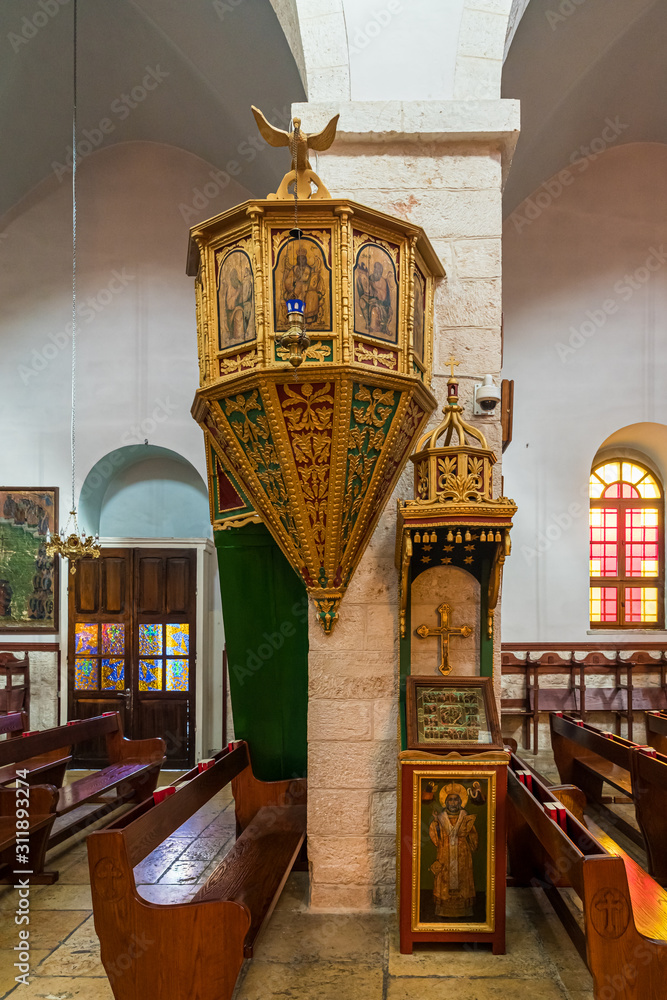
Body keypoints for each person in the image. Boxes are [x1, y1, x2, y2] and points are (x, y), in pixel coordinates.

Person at [429, 784, 478, 918]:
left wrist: (469, 846)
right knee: (444, 877)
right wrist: (437, 826)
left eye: (456, 799)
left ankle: (464, 911)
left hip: (462, 854)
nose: (453, 802)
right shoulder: (440, 818)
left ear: (461, 801)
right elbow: (435, 836)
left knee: (463, 877)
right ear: (445, 802)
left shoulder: (465, 817)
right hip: (445, 853)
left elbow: (473, 837)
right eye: (450, 800)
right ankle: (443, 910)